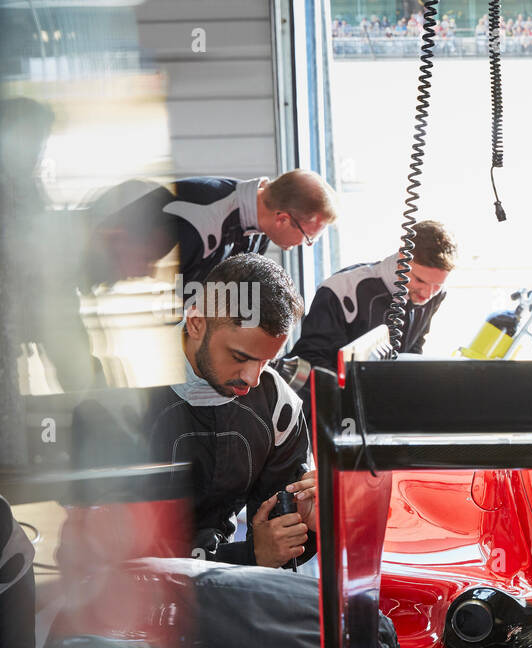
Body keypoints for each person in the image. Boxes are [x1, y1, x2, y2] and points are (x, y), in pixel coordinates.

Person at [89, 254, 318, 569]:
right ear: (196, 323)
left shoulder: (278, 403)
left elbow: (277, 541)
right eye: (240, 356)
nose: (252, 379)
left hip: (221, 579)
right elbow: (111, 557)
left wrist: (306, 523)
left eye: (266, 361)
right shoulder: (117, 394)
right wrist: (248, 557)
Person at [82, 169, 338, 290]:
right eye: (308, 237)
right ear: (282, 219)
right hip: (82, 273)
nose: (305, 245)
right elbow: (153, 297)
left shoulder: (257, 231)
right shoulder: (202, 223)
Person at [290, 220, 455, 369]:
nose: (427, 294)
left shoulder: (437, 294)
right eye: (420, 280)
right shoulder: (341, 288)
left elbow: (415, 346)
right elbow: (311, 359)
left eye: (437, 286)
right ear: (402, 257)